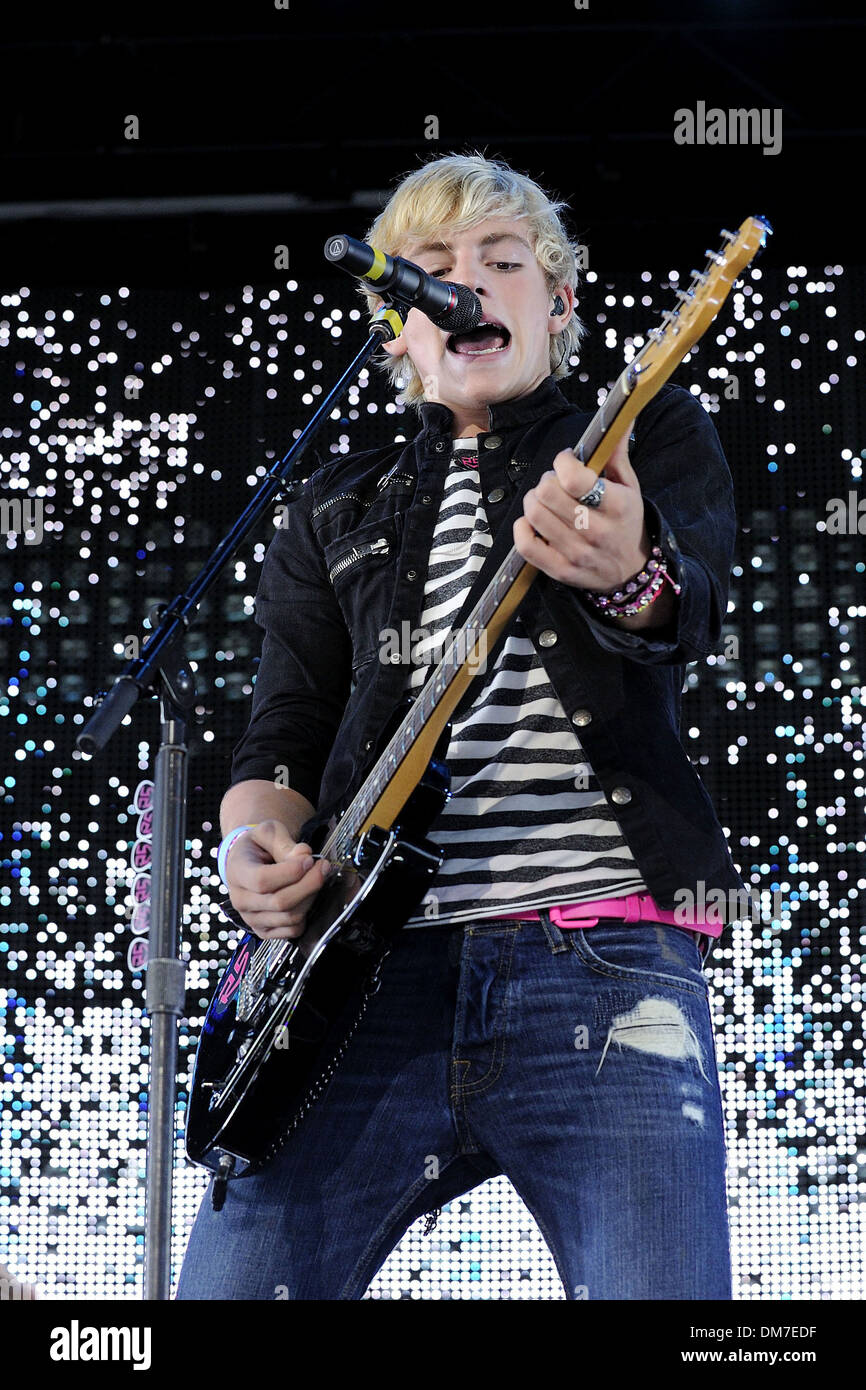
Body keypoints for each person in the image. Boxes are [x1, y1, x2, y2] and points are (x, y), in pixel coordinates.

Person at [176, 151, 747, 1301]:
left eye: (502, 261)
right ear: (395, 326)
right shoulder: (332, 500)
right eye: (431, 269)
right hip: (357, 977)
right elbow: (280, 732)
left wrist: (623, 571)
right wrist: (250, 851)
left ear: (559, 301)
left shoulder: (642, 434)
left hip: (602, 962)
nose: (466, 285)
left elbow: (682, 607)